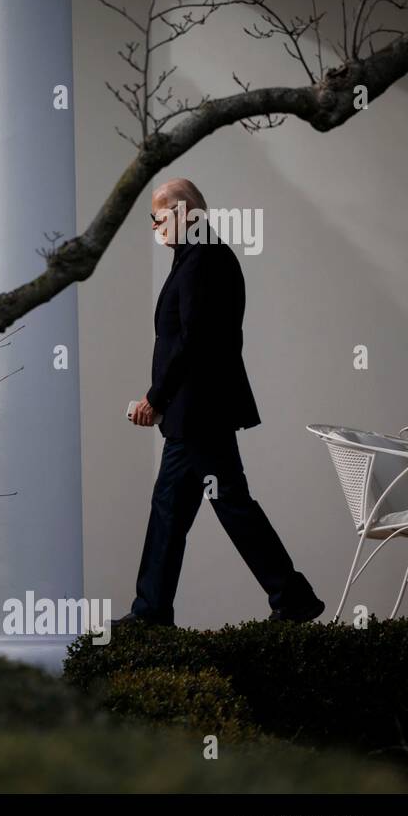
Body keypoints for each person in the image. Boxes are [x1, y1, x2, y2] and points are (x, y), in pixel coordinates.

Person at [115, 179, 324, 627]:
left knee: (225, 503)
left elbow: (194, 341)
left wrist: (154, 399)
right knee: (174, 510)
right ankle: (153, 611)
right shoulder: (199, 257)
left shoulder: (203, 259)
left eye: (157, 217)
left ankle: (291, 595)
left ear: (183, 212)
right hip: (193, 415)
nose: (154, 227)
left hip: (199, 414)